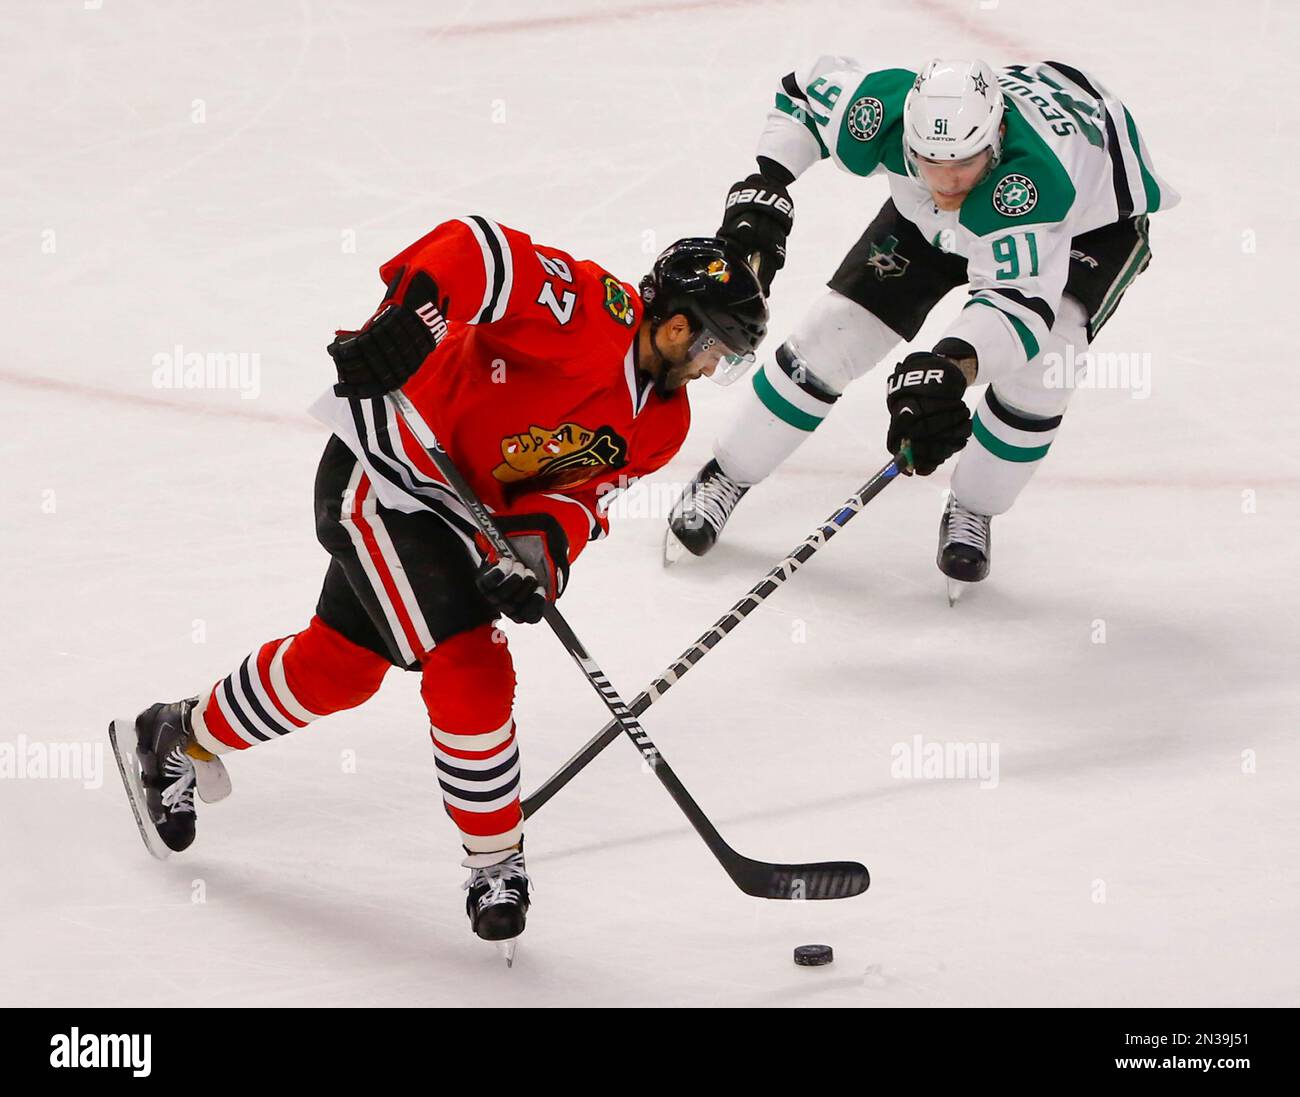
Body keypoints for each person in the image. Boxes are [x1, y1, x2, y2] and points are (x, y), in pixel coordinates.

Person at [109, 217, 767, 947]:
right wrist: (408, 321)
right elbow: (478, 250)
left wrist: (535, 556)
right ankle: (496, 860)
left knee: (342, 666)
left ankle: (177, 732)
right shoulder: (589, 311)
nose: (713, 368)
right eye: (717, 349)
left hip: (460, 514)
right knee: (469, 660)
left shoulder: (663, 426)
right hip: (385, 470)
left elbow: (579, 500)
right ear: (678, 328)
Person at [668, 58, 1177, 592]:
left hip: (1088, 225)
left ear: (998, 137)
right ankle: (727, 473)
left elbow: (1019, 311)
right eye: (930, 162)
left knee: (1047, 362)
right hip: (948, 220)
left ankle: (974, 508)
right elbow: (801, 99)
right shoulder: (885, 110)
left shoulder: (1033, 183)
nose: (947, 182)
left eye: (963, 163)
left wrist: (949, 368)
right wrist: (769, 180)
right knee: (836, 330)